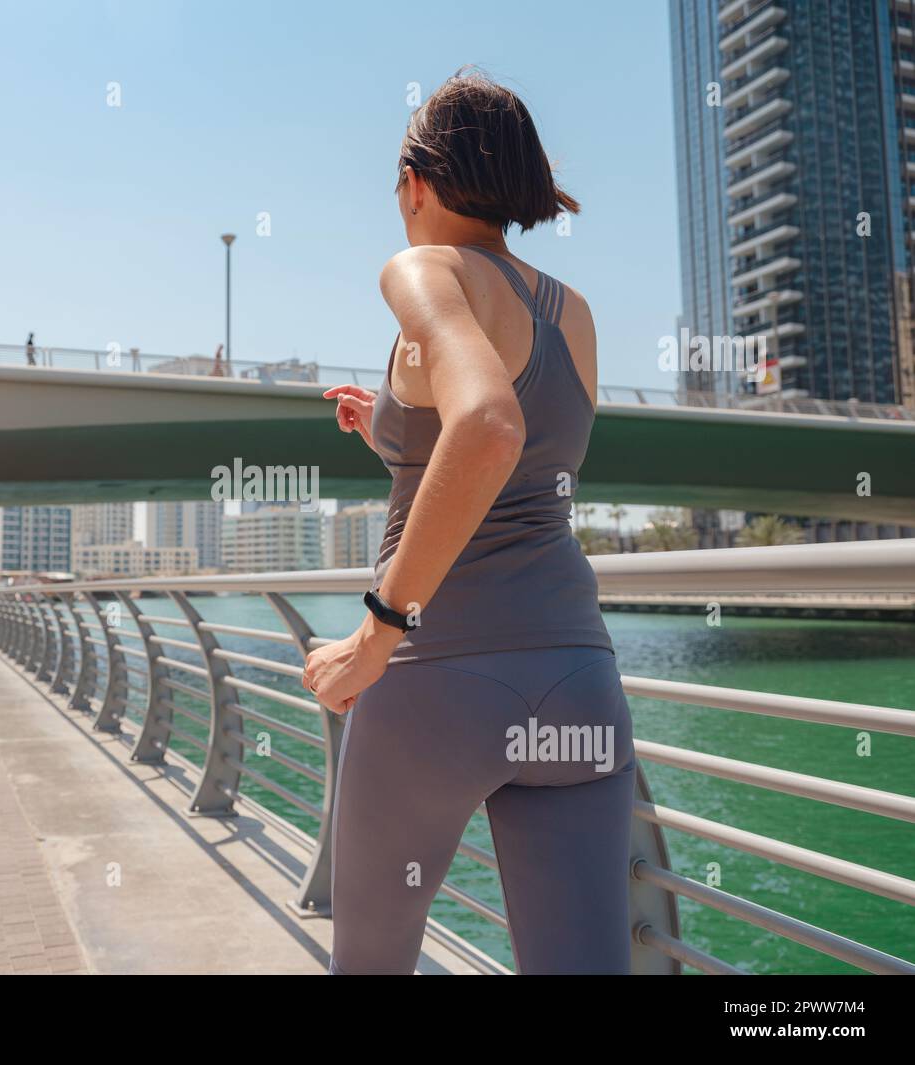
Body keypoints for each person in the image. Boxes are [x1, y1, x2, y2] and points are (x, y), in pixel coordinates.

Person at [302, 70, 635, 976]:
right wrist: (392, 425)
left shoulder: (423, 270)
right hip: (577, 683)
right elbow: (525, 476)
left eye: (396, 188)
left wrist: (376, 634)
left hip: (435, 686)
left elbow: (488, 429)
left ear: (418, 179)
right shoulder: (576, 314)